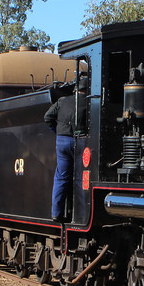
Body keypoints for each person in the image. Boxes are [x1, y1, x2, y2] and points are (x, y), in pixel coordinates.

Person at [44, 76, 90, 222]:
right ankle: (80, 214)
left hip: (62, 140)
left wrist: (57, 131)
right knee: (81, 177)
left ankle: (56, 213)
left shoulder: (63, 101)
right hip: (80, 141)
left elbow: (47, 117)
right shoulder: (89, 103)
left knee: (61, 177)